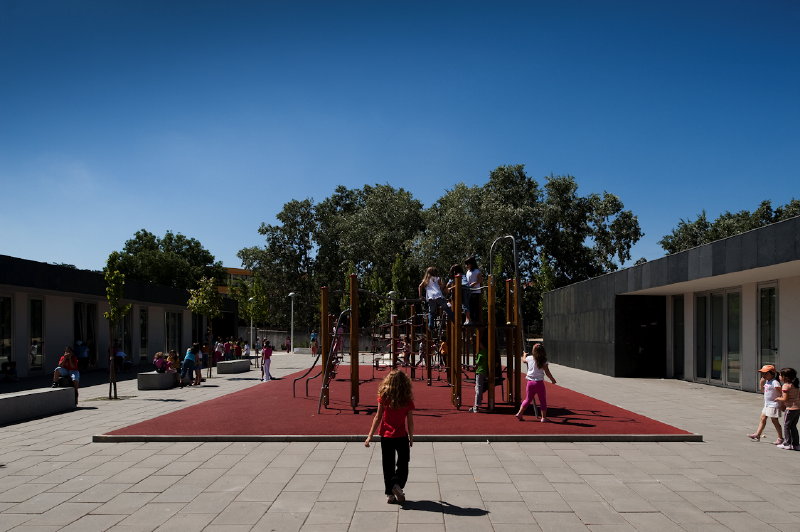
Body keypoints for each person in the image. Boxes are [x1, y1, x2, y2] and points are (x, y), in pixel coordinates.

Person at [365, 370, 415, 505]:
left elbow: (378, 417)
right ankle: (397, 484)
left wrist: (370, 435)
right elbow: (410, 420)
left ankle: (390, 494)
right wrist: (411, 436)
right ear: (405, 384)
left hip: (386, 436)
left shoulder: (384, 397)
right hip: (401, 435)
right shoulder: (407, 399)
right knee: (404, 462)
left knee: (388, 465)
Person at [516, 343, 557, 422]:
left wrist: (524, 354)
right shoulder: (543, 360)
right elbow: (547, 372)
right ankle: (543, 417)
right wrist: (552, 379)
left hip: (530, 382)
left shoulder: (530, 358)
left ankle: (520, 413)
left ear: (533, 351)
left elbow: (523, 360)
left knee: (527, 399)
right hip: (539, 383)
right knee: (542, 400)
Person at [748, 364, 783, 444]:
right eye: (763, 373)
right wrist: (761, 383)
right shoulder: (767, 381)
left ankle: (780, 438)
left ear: (772, 373)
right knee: (763, 418)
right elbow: (763, 391)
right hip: (767, 404)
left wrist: (782, 402)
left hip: (773, 404)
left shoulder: (775, 382)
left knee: (775, 421)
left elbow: (781, 392)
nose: (764, 375)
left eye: (766, 373)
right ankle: (757, 434)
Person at [775, 367, 800, 450]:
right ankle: (796, 445)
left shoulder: (785, 386)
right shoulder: (795, 385)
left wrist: (778, 399)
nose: (779, 376)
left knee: (786, 426)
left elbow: (785, 399)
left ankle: (787, 443)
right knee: (793, 426)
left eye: (780, 375)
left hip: (790, 409)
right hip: (797, 408)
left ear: (785, 377)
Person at [469, 339, 488, 413]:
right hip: (484, 371)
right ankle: (477, 404)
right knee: (479, 387)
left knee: (478, 388)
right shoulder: (487, 352)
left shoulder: (480, 353)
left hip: (480, 371)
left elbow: (477, 364)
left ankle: (476, 406)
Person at [464, 256, 482, 325]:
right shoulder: (468, 272)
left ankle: (476, 320)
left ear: (471, 264)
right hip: (469, 291)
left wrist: (475, 283)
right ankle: (470, 320)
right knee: (470, 306)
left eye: (467, 264)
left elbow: (480, 280)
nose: (466, 266)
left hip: (476, 291)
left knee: (475, 307)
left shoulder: (477, 271)